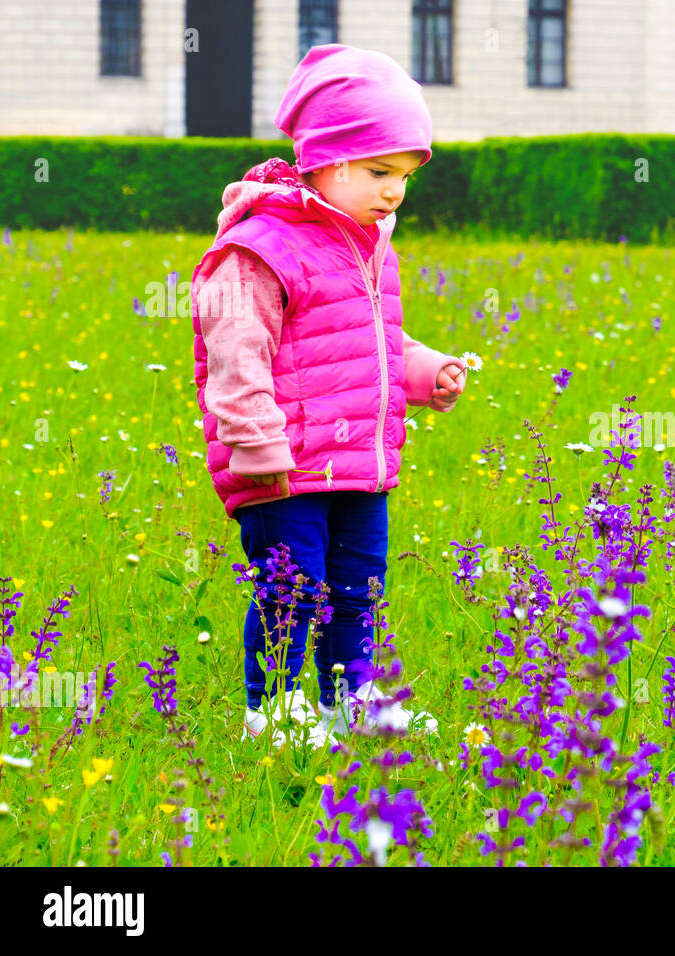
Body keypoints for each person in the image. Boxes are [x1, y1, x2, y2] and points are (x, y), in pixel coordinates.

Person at [190, 44, 466, 747]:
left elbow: (365, 343)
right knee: (293, 589)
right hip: (283, 467)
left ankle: (353, 701)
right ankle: (275, 712)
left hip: (359, 466)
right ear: (329, 159)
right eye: (380, 172)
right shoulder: (261, 247)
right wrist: (255, 444)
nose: (394, 191)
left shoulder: (368, 245)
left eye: (404, 176)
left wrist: (424, 373)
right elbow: (234, 356)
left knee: (357, 590)